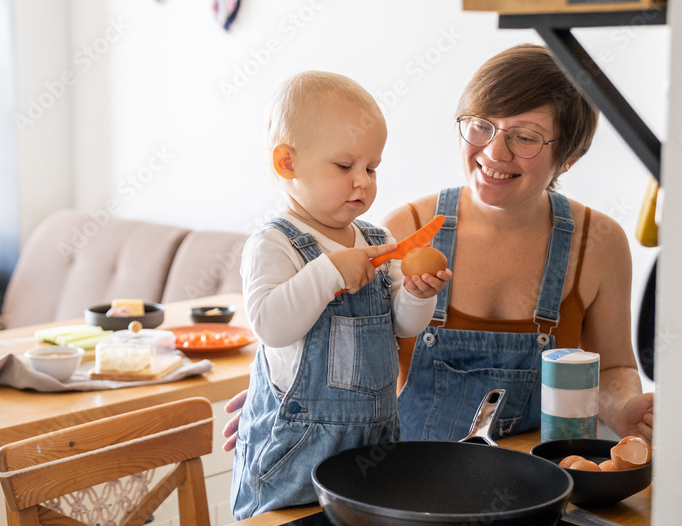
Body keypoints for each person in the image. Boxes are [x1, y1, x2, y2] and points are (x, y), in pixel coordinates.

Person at [223, 44, 654, 454]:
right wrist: (282, 395)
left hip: (535, 482)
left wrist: (626, 409)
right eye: (482, 125)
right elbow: (334, 339)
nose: (494, 151)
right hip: (409, 483)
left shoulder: (597, 243)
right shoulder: (401, 230)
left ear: (569, 158)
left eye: (525, 137)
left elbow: (613, 368)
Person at [229, 71, 451, 520]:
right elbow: (271, 326)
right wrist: (327, 271)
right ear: (287, 163)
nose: (363, 182)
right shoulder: (275, 243)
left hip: (372, 446)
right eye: (344, 166)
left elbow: (403, 326)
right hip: (296, 453)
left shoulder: (375, 236)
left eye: (372, 168)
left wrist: (416, 294)